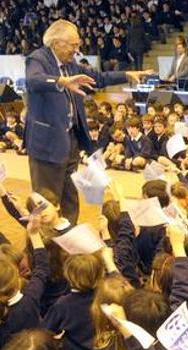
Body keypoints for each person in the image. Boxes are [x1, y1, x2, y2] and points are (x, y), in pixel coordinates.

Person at [25, 19, 150, 225]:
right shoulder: (37, 58)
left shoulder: (71, 65)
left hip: (70, 140)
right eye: (73, 45)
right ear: (57, 43)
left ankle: (69, 235)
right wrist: (62, 82)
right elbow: (34, 80)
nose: (77, 50)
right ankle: (45, 246)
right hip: (47, 143)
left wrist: (127, 74)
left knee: (70, 197)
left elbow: (98, 78)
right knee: (46, 199)